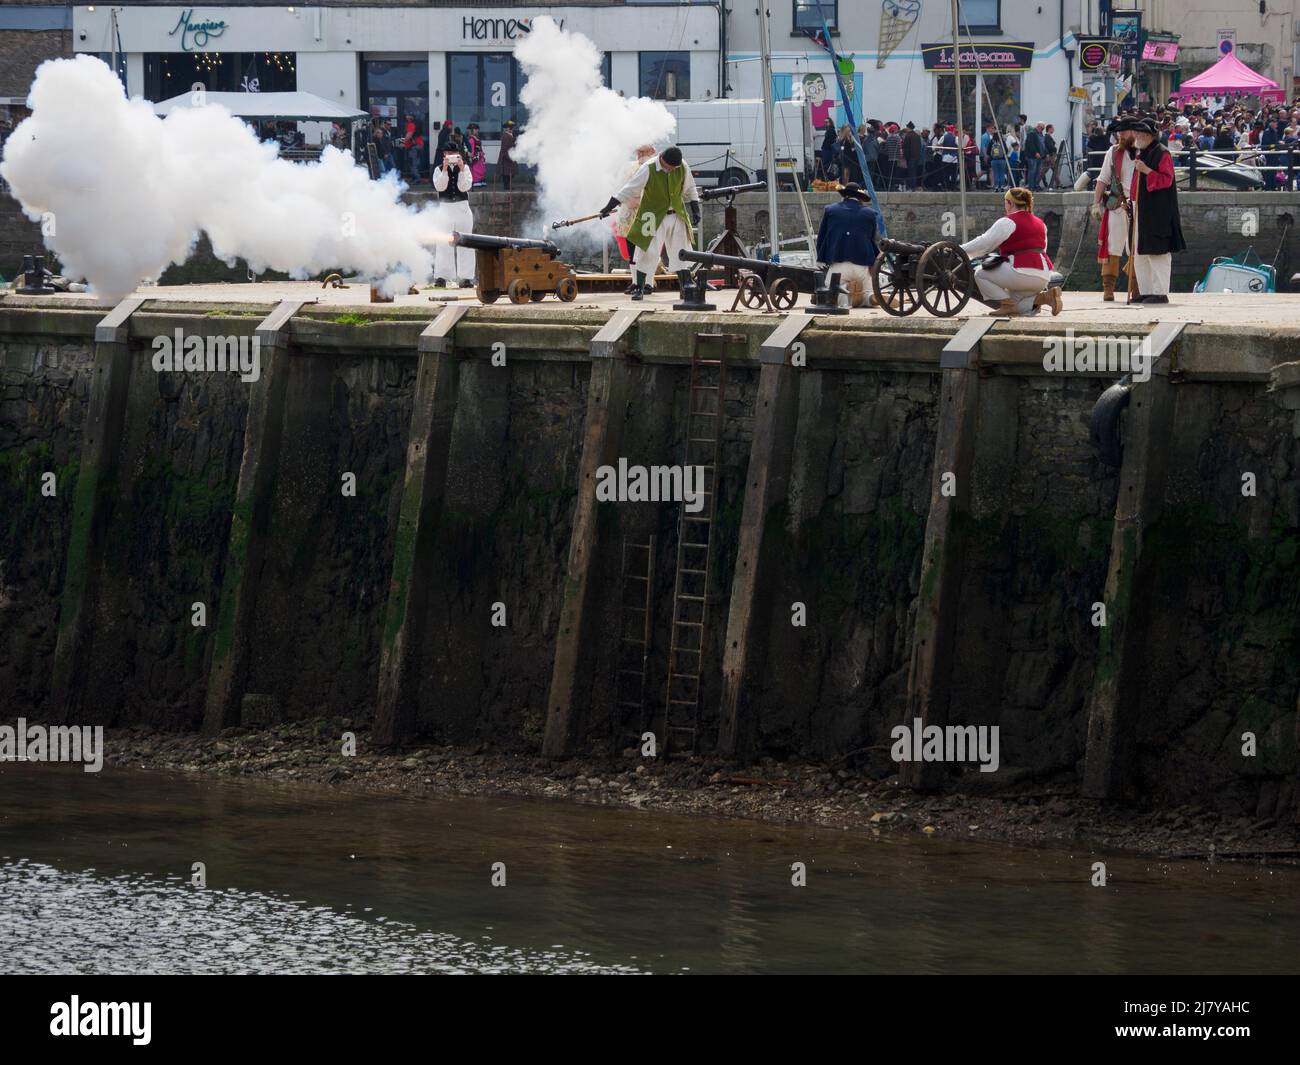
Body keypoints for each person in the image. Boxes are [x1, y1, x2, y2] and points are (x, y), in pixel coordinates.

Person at [599, 145, 701, 301]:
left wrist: (695, 209)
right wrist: (608, 207)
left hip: (676, 214)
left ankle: (685, 286)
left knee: (681, 250)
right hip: (652, 215)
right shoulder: (648, 168)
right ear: (662, 159)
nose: (672, 170)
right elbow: (629, 189)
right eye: (669, 168)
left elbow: (690, 188)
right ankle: (638, 287)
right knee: (647, 251)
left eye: (675, 168)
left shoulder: (682, 166)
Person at [960, 186, 1061, 317]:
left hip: (1021, 272)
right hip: (1043, 276)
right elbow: (1043, 249)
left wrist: (960, 249)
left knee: (980, 274)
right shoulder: (1041, 224)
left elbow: (984, 243)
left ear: (1010, 203)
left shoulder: (1007, 222)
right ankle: (1046, 297)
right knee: (1020, 306)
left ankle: (1007, 305)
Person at [1127, 118, 1186, 303]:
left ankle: (1160, 292)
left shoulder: (1162, 154)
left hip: (1157, 211)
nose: (1137, 135)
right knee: (1140, 253)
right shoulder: (1142, 153)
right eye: (1137, 132)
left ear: (1151, 135)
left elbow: (1166, 180)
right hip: (1141, 208)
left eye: (1141, 133)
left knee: (1157, 252)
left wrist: (1147, 171)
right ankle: (1146, 290)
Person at [815, 182, 880, 308]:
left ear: (844, 196)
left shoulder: (830, 210)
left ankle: (845, 303)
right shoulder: (870, 214)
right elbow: (872, 239)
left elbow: (822, 238)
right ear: (860, 198)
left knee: (833, 289)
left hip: (839, 263)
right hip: (862, 264)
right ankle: (869, 297)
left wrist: (821, 259)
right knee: (867, 287)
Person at [1093, 118, 1138, 302]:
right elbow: (1103, 179)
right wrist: (1096, 203)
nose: (1121, 135)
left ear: (1134, 132)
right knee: (1112, 247)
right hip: (1117, 204)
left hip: (1138, 205)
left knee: (1136, 249)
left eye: (1124, 131)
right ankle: (1108, 289)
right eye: (1119, 132)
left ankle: (1136, 288)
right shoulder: (1112, 152)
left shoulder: (1144, 152)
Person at [432, 140, 475, 288]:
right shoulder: (438, 169)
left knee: (466, 242)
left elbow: (465, 187)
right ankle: (442, 276)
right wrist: (444, 170)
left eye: (454, 153)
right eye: (448, 153)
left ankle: (466, 277)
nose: (451, 156)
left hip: (462, 207)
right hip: (445, 208)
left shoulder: (466, 168)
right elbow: (439, 186)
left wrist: (462, 170)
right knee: (443, 242)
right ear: (444, 154)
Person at [901, 121, 923, 190]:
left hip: (910, 158)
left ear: (908, 128)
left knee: (910, 173)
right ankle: (913, 186)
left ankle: (910, 187)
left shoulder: (908, 136)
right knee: (914, 172)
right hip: (917, 157)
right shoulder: (917, 136)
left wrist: (905, 157)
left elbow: (905, 147)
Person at [497, 119, 517, 189]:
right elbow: (505, 150)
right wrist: (510, 157)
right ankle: (507, 187)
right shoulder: (506, 136)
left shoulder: (509, 135)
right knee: (506, 174)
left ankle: (508, 186)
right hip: (506, 158)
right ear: (506, 128)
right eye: (510, 127)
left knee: (510, 173)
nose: (511, 129)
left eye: (512, 127)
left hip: (510, 157)